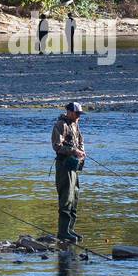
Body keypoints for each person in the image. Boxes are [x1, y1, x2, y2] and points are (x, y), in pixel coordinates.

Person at [51, 101, 86, 244]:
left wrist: (82, 151)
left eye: (80, 114)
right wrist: (73, 151)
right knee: (66, 197)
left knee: (74, 197)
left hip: (74, 166)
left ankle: (70, 229)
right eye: (77, 113)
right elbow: (57, 146)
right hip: (64, 166)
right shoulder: (60, 125)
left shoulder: (75, 124)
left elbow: (81, 141)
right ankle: (63, 232)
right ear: (69, 112)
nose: (79, 116)